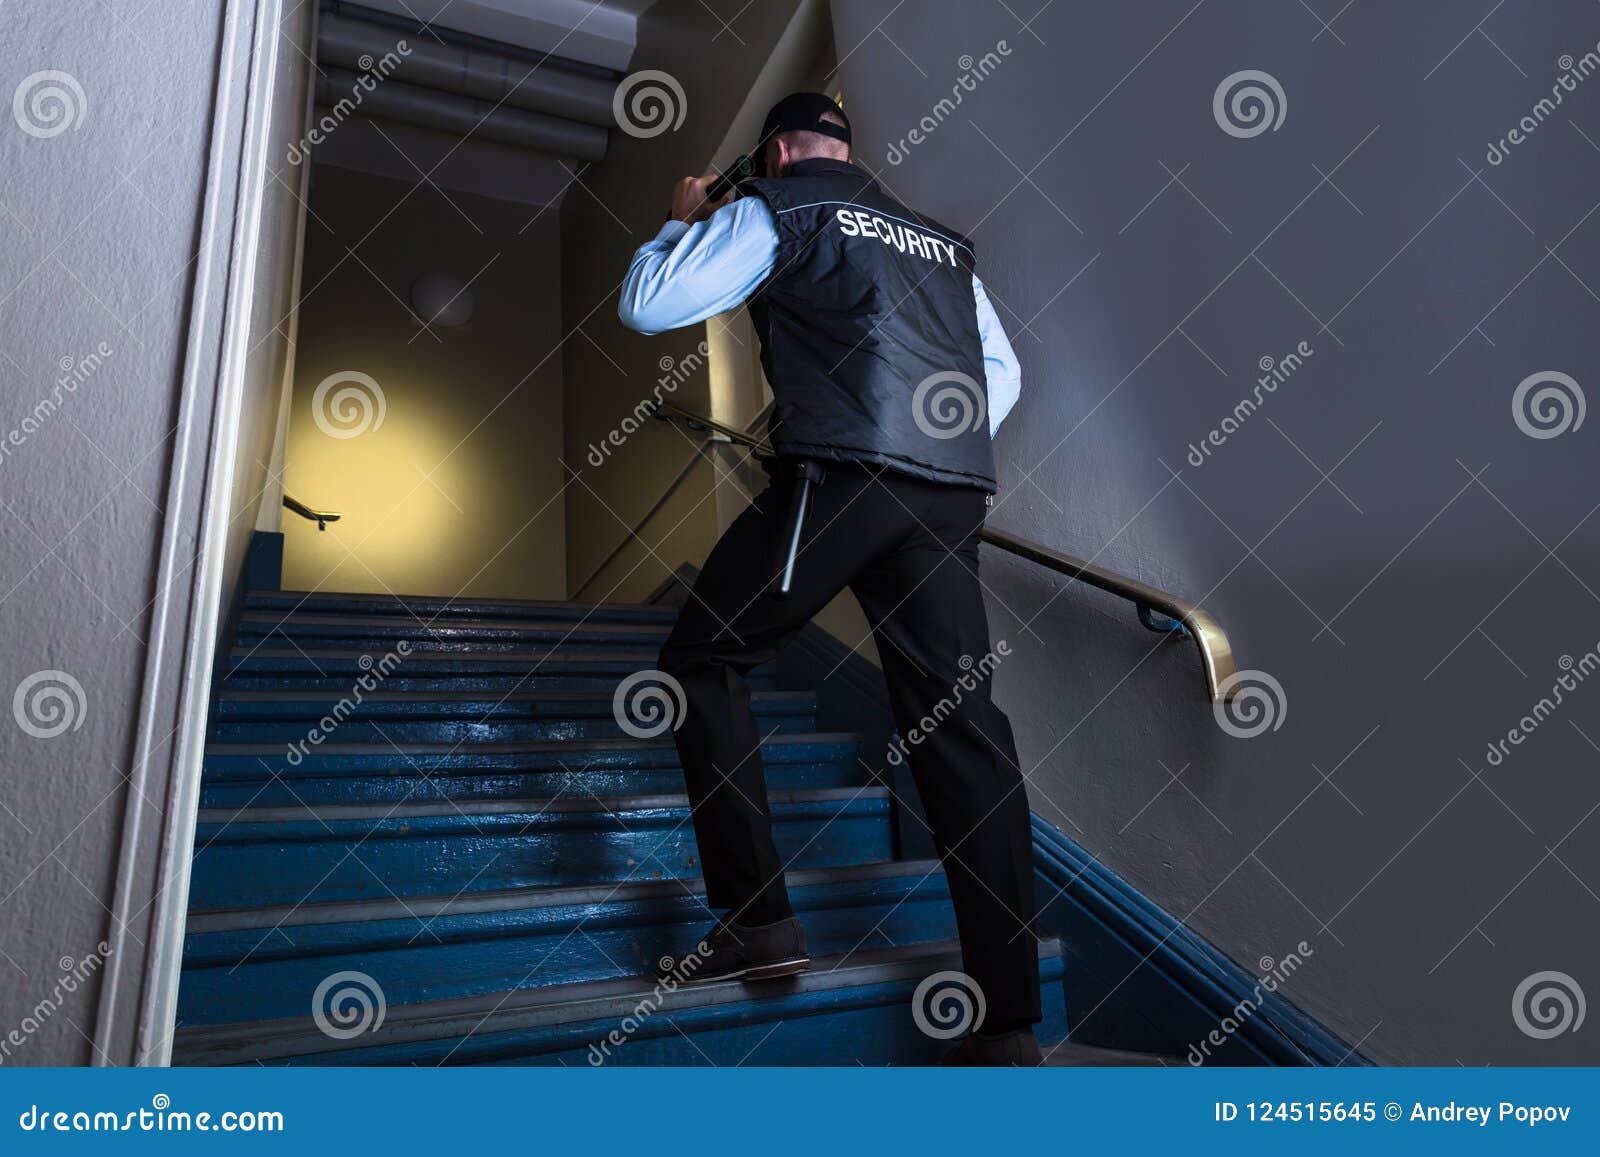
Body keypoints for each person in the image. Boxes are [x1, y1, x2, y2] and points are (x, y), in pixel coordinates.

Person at [617, 93, 1041, 1065]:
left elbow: (649, 305)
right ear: (846, 150)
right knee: (962, 728)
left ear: (774, 152)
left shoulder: (777, 209)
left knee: (702, 654)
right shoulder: (941, 243)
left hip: (841, 476)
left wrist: (681, 224)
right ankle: (1008, 1022)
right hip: (945, 493)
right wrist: (922, 445)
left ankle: (760, 920)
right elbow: (999, 379)